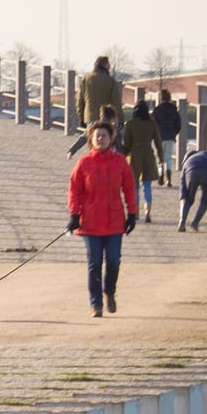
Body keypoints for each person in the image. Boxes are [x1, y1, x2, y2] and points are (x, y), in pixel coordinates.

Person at [66, 120, 138, 317]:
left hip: (114, 220)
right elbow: (74, 190)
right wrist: (74, 214)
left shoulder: (120, 162)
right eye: (97, 136)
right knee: (94, 263)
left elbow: (130, 188)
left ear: (111, 138)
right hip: (90, 221)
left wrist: (132, 213)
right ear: (91, 139)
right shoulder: (84, 163)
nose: (100, 139)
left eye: (104, 136)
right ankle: (96, 303)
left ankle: (109, 291)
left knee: (114, 260)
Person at [68, 54, 124, 157]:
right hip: (107, 117)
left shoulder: (86, 78)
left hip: (90, 116)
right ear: (105, 65)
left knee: (92, 142)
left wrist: (81, 116)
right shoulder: (110, 81)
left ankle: (92, 163)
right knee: (107, 142)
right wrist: (120, 119)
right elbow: (116, 102)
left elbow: (80, 99)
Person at [123, 99, 164, 222]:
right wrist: (161, 159)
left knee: (135, 186)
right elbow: (158, 143)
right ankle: (148, 212)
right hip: (148, 155)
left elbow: (127, 144)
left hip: (134, 156)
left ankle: (135, 212)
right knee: (147, 186)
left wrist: (124, 158)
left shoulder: (129, 124)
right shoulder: (151, 124)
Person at [177, 142, 207, 232]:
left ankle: (182, 222)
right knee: (205, 201)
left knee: (188, 200)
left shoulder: (186, 162)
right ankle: (195, 223)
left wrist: (183, 197)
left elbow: (182, 183)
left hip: (190, 172)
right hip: (206, 172)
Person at [153, 88, 182, 186]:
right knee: (168, 158)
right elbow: (178, 125)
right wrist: (174, 133)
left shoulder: (157, 110)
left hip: (159, 137)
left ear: (161, 98)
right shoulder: (174, 110)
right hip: (170, 136)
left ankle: (161, 175)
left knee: (160, 157)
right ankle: (169, 179)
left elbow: (153, 124)